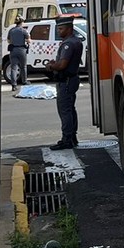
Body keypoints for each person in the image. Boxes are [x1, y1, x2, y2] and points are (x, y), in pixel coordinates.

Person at [44, 16, 83, 149]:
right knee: (70, 109)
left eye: (61, 29)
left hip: (66, 81)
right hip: (71, 79)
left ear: (69, 28)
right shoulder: (75, 41)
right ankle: (72, 137)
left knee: (65, 111)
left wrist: (51, 66)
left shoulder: (68, 44)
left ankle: (67, 139)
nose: (59, 31)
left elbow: (62, 65)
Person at [6, 15, 30, 92]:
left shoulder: (11, 30)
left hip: (13, 50)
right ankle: (24, 81)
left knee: (13, 68)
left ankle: (14, 85)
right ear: (21, 22)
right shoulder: (24, 31)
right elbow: (28, 40)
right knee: (23, 66)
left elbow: (8, 41)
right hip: (22, 50)